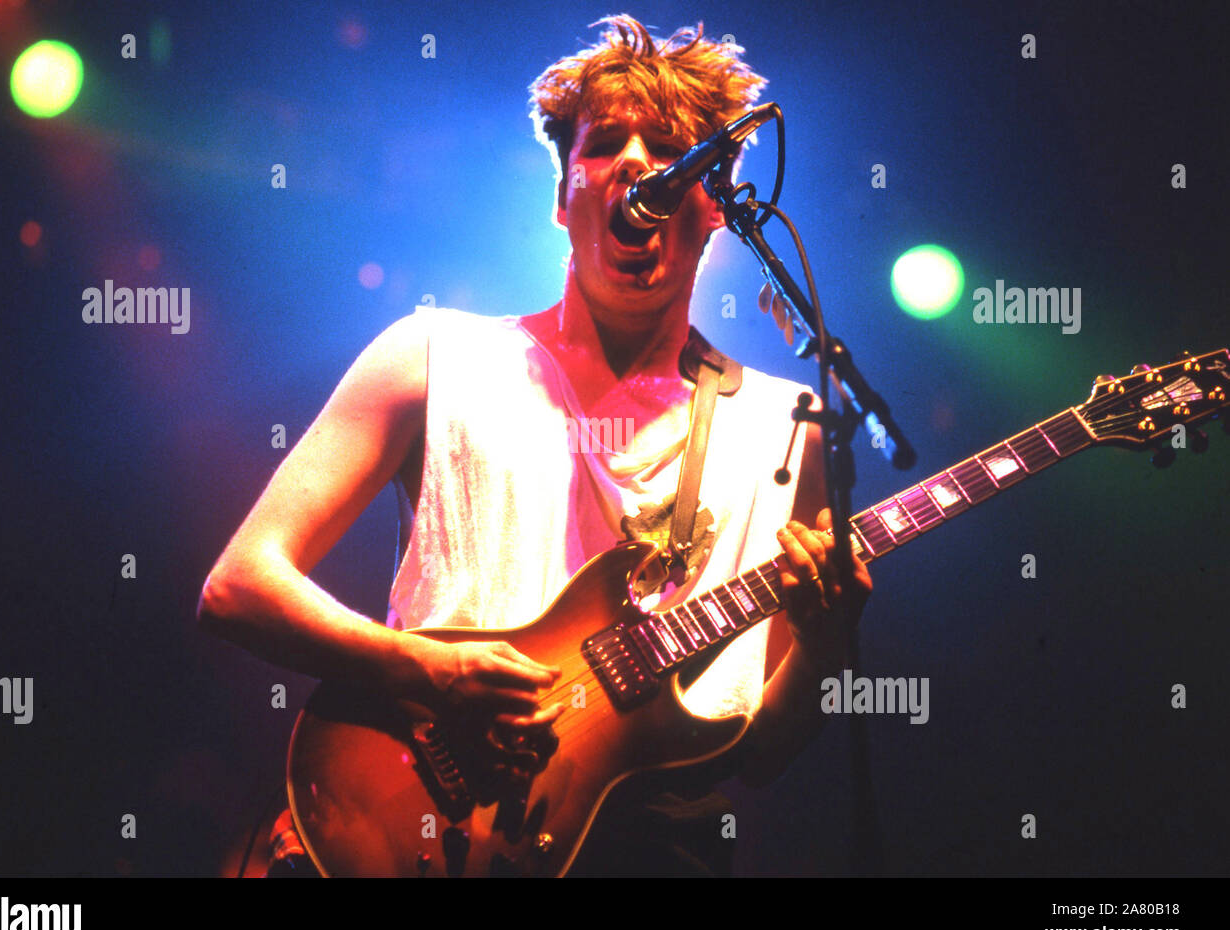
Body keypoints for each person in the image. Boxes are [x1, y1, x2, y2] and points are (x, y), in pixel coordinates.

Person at [197, 14, 871, 876]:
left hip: (656, 851)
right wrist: (424, 673)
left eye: (666, 145)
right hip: (425, 820)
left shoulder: (789, 423)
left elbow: (765, 748)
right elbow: (239, 585)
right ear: (562, 199)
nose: (633, 162)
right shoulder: (434, 355)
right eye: (602, 145)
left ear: (714, 206)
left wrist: (822, 645)